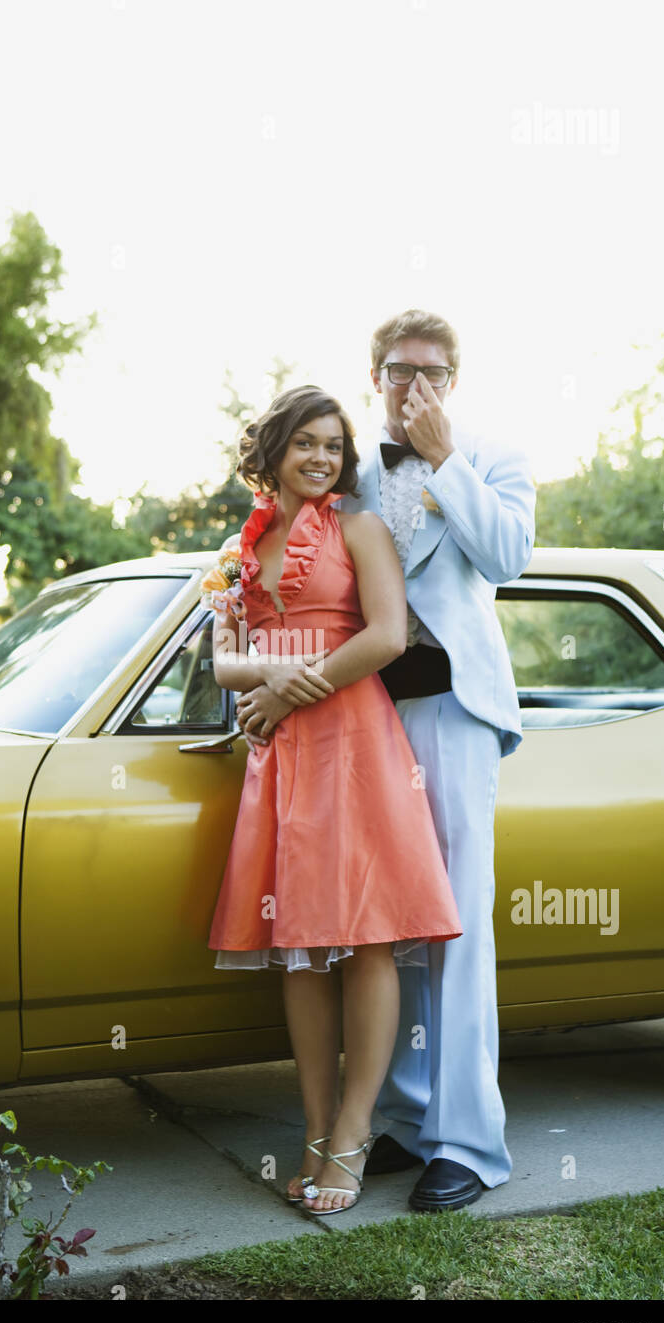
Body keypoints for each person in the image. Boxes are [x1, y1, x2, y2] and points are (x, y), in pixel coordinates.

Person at [238, 310, 537, 1211]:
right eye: (403, 370)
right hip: (360, 718)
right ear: (376, 375)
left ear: (455, 380)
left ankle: (469, 1144)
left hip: (451, 711)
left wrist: (445, 458)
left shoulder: (491, 456)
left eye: (436, 372)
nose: (418, 385)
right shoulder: (347, 465)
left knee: (453, 924)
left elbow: (511, 558)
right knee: (385, 927)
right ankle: (399, 1123)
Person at [206, 384, 463, 1215]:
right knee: (299, 949)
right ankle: (316, 1132)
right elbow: (224, 661)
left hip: (354, 744)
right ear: (273, 450)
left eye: (333, 445)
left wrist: (285, 691)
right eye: (305, 444)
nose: (321, 458)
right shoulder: (242, 547)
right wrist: (269, 680)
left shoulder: (362, 529)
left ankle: (354, 1134)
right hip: (281, 759)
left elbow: (386, 636)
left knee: (367, 942)